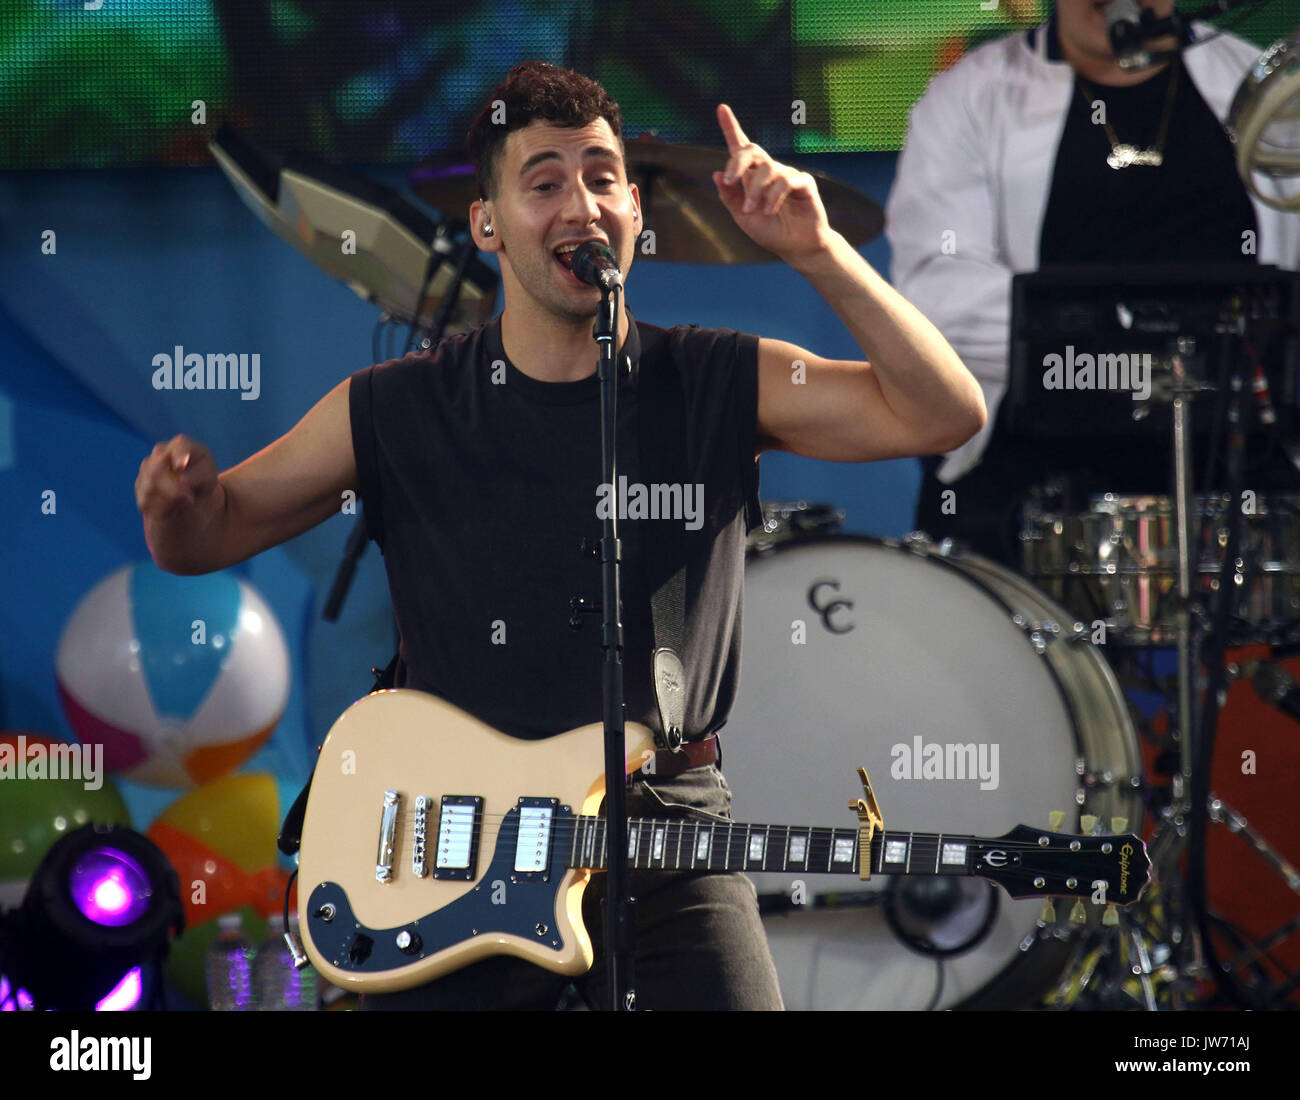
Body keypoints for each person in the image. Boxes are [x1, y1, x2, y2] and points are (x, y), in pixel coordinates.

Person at [136, 61, 985, 1009]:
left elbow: (941, 414)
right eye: (544, 181)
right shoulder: (396, 406)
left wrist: (818, 249)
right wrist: (177, 505)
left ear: (633, 210)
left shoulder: (715, 379)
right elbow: (203, 540)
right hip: (457, 849)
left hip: (670, 833)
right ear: (487, 224)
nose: (580, 203)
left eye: (601, 176)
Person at [888, 0, 1300, 567]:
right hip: (1037, 464)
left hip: (1240, 460)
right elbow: (936, 294)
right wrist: (1125, 352)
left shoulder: (1258, 86)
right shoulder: (968, 96)